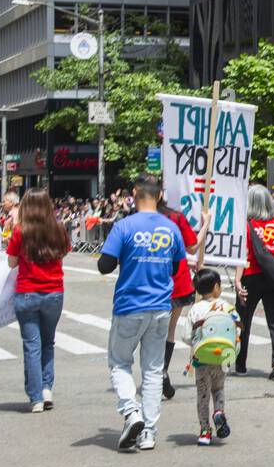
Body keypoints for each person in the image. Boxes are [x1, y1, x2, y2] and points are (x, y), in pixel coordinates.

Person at [98, 174, 187, 451]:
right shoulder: (171, 228)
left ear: (134, 193)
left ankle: (131, 412)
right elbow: (176, 267)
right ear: (160, 195)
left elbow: (105, 265)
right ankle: (148, 431)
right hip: (161, 307)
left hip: (129, 306)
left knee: (120, 363)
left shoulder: (124, 226)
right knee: (152, 370)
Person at [7, 188, 70, 412]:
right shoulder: (59, 228)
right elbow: (64, 252)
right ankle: (46, 389)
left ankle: (35, 399)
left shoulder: (20, 231)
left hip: (27, 292)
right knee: (48, 342)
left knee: (31, 345)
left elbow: (11, 263)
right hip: (54, 292)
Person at [237, 184, 274, 381]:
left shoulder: (247, 223)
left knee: (243, 321)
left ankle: (240, 363)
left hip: (251, 274)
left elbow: (242, 254)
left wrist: (236, 280)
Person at [187, 268, 239, 446]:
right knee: (218, 389)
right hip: (223, 357)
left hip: (202, 359)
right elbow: (237, 331)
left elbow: (186, 337)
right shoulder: (227, 307)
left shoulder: (195, 309)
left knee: (203, 394)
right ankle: (219, 412)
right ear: (217, 287)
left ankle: (204, 432)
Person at [157, 195, 200, 400]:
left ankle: (157, 373)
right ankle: (162, 371)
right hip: (176, 281)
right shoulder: (175, 217)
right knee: (169, 329)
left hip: (150, 279)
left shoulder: (138, 218)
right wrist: (206, 224)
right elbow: (192, 246)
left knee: (152, 331)